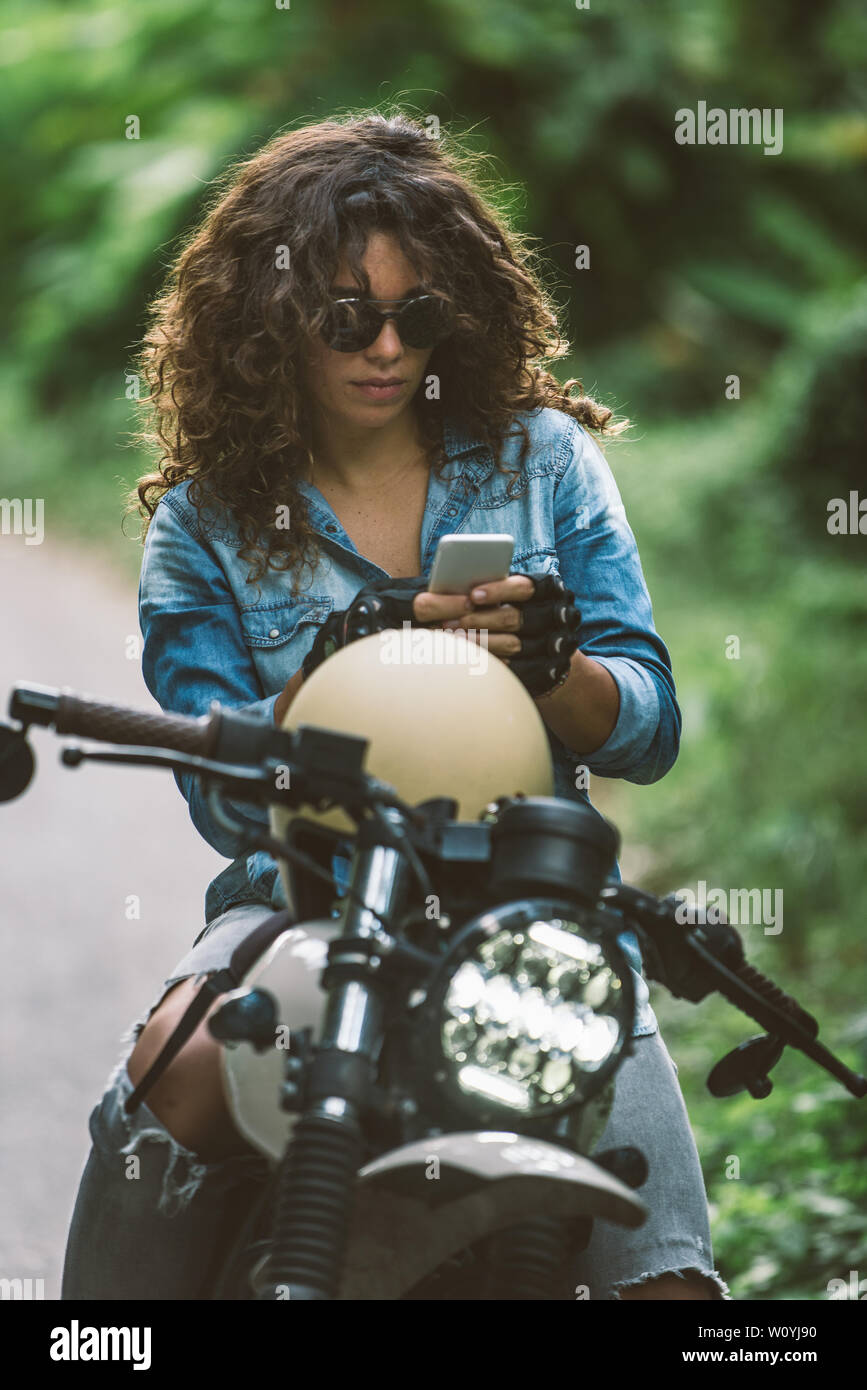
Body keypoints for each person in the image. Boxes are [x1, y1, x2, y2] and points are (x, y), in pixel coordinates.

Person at [62, 111, 729, 1301]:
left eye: (415, 315)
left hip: (533, 917)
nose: (383, 346)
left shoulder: (544, 461)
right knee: (179, 1068)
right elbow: (226, 808)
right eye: (342, 317)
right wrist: (336, 659)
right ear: (269, 324)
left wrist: (550, 665)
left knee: (669, 1289)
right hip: (302, 909)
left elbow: (649, 729)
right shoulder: (206, 523)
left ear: (455, 312)